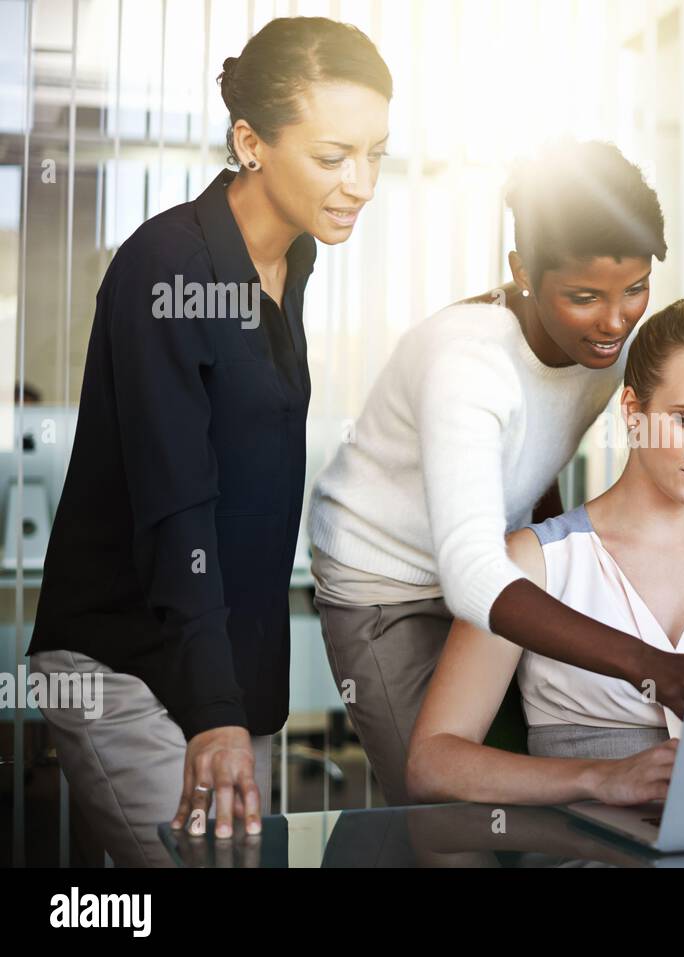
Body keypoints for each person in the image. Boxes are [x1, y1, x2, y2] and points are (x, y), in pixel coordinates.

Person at [26, 16, 392, 865]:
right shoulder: (171, 266)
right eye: (333, 156)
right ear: (251, 142)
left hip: (221, 670)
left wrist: (234, 701)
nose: (363, 183)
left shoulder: (294, 260)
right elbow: (177, 504)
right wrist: (216, 712)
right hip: (127, 662)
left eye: (376, 153)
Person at [309, 140, 684, 806]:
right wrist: (650, 665)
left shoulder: (614, 343)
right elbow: (473, 576)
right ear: (522, 271)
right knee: (445, 804)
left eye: (636, 288)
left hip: (491, 567)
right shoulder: (467, 362)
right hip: (388, 586)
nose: (615, 321)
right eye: (584, 296)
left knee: (528, 786)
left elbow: (531, 458)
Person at [404, 299, 684, 805]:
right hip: (580, 843)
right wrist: (598, 777)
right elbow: (431, 762)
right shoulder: (533, 562)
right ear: (632, 413)